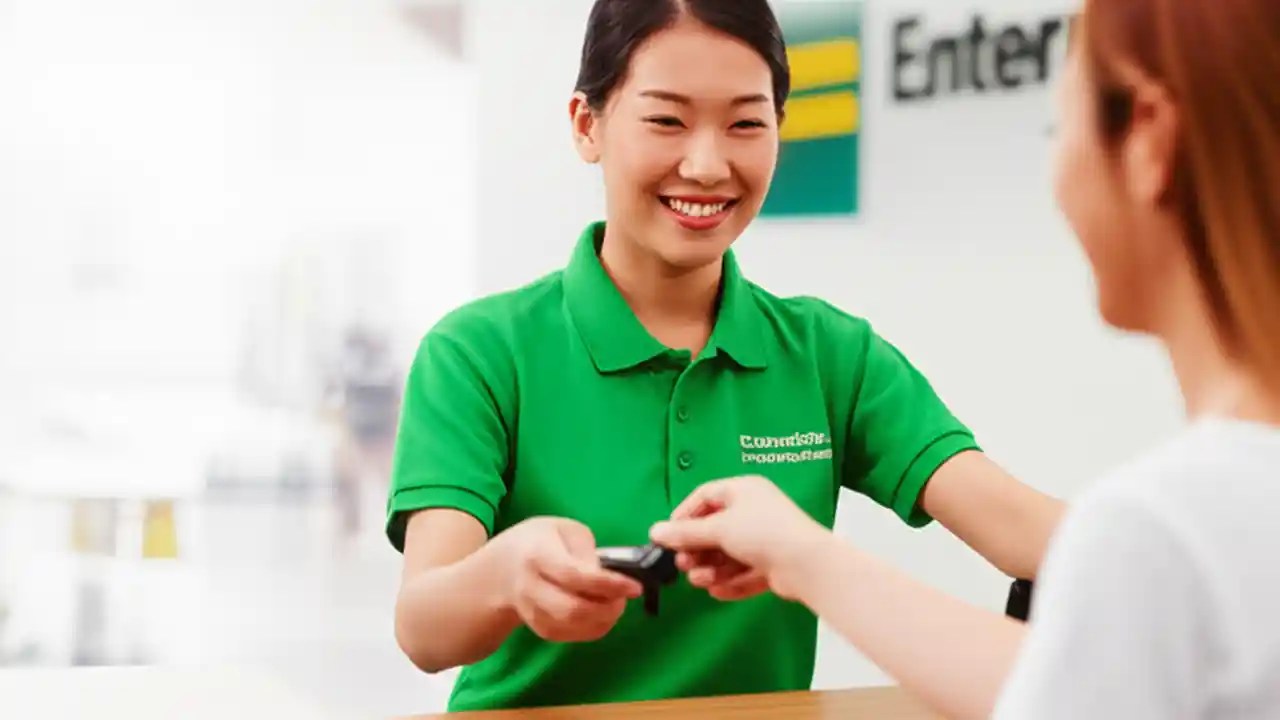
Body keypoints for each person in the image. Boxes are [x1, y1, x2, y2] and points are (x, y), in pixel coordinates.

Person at [388, 0, 1063, 712]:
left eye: (746, 122)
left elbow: (1024, 531)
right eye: (666, 120)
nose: (707, 165)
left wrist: (1177, 534)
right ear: (588, 125)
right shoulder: (478, 353)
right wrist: (504, 575)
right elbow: (424, 631)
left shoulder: (830, 355)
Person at [651, 0, 1280, 718]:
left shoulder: (1156, 535)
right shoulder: (1185, 536)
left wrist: (802, 557)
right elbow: (1071, 679)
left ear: (1146, 141)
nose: (704, 165)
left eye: (1057, 126)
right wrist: (803, 556)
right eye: (667, 118)